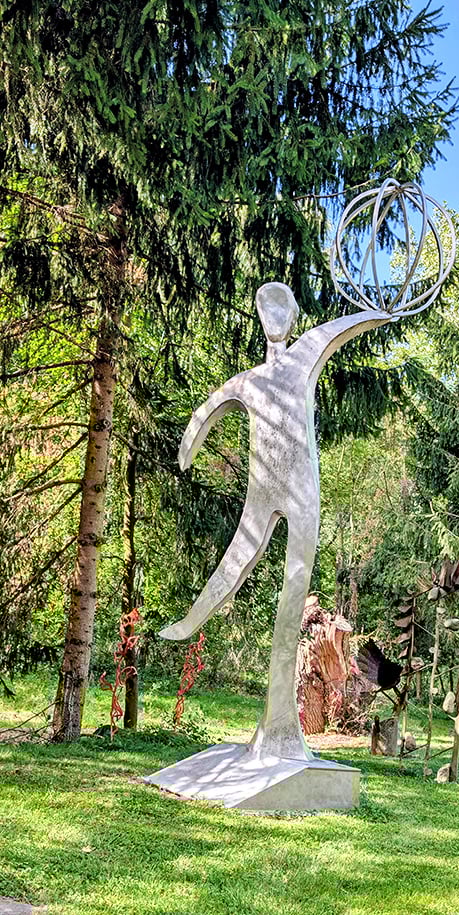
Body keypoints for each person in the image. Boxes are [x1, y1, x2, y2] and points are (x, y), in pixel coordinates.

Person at [161, 281, 391, 760]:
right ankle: (190, 622)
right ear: (261, 319)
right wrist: (188, 447)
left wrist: (382, 313)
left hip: (303, 491)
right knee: (237, 558)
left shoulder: (308, 351)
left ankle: (282, 725)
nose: (275, 320)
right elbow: (206, 412)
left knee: (294, 588)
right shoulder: (248, 381)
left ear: (291, 316)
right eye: (266, 311)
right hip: (263, 487)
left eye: (282, 310)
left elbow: (349, 324)